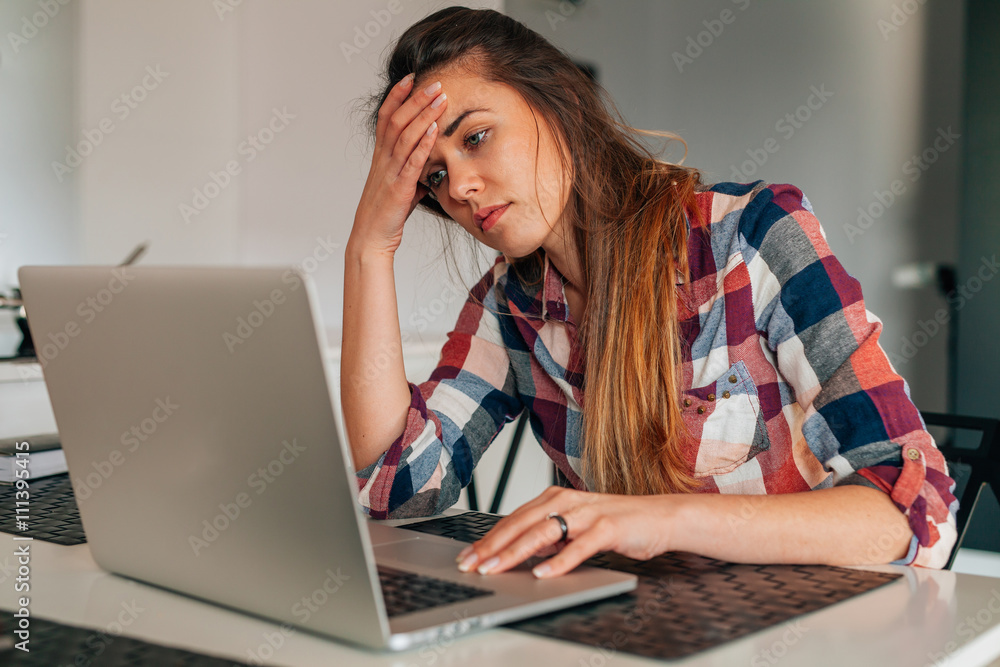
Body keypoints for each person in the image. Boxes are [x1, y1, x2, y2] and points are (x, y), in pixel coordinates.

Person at [341, 6, 957, 578]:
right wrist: (370, 246)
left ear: (557, 105)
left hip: (798, 624)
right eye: (435, 177)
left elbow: (918, 510)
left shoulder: (749, 237)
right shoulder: (510, 304)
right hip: (637, 625)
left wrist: (662, 520)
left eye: (474, 137)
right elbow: (396, 489)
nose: (461, 190)